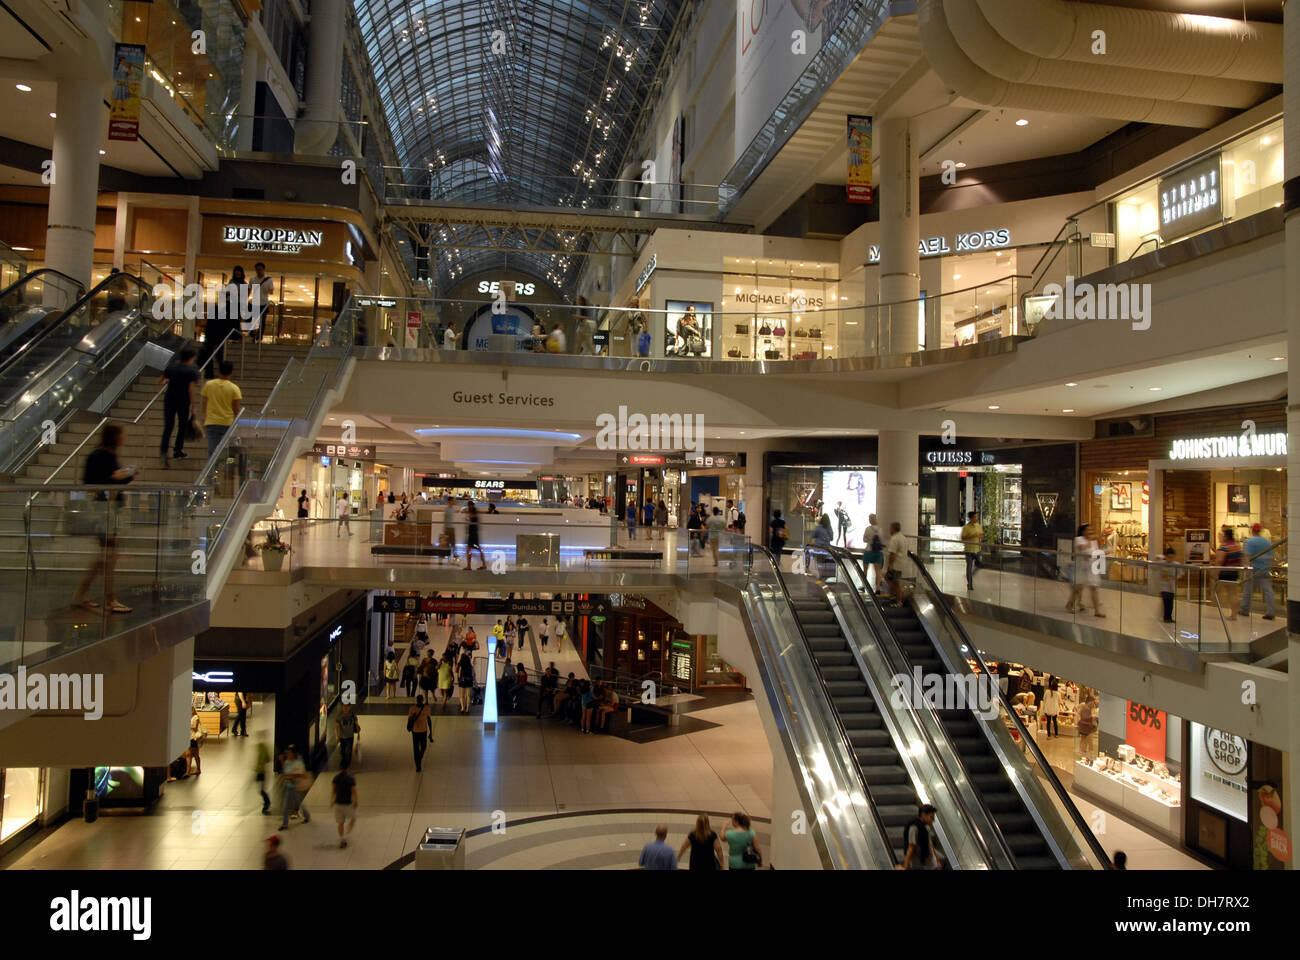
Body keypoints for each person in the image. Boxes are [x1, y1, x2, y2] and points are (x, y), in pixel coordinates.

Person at [73, 423, 136, 614]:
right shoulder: (99, 456)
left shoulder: (108, 455)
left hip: (110, 510)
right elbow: (92, 483)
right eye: (122, 434)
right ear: (115, 436)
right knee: (108, 556)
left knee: (107, 556)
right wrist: (116, 478)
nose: (124, 438)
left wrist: (127, 475)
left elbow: (114, 479)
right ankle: (107, 598)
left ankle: (84, 594)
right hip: (102, 510)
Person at [157, 346, 199, 466]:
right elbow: (191, 389)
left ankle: (163, 451)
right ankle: (177, 450)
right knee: (182, 425)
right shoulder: (192, 371)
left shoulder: (171, 367)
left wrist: (167, 381)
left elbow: (159, 381)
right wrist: (193, 406)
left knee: (168, 427)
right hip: (183, 401)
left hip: (169, 399)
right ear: (191, 357)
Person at [201, 360, 242, 459]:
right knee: (229, 453)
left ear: (218, 371)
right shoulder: (234, 388)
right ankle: (229, 470)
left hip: (212, 423)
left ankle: (212, 473)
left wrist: (203, 419)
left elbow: (204, 404)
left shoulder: (209, 385)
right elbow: (236, 409)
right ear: (232, 372)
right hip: (228, 423)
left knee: (213, 453)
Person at [1067, 523, 1105, 617]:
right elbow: (1082, 549)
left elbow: (1095, 551)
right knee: (1077, 588)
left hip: (1091, 568)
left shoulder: (1093, 541)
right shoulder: (1078, 539)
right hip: (1081, 568)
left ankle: (1097, 611)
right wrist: (1089, 541)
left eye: (1091, 530)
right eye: (1088, 530)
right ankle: (1070, 604)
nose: (1090, 532)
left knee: (1094, 588)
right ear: (1083, 531)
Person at [1241, 523, 1276, 620]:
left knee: (1248, 591)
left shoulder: (1249, 542)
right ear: (1260, 530)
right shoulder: (1267, 542)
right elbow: (1271, 556)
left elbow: (1247, 556)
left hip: (1253, 570)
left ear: (1252, 530)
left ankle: (1244, 610)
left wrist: (1246, 568)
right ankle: (1271, 612)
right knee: (1268, 591)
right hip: (1265, 569)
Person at [1213, 526, 1244, 620]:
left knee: (1229, 593)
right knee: (1233, 593)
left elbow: (1219, 561)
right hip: (1234, 572)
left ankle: (1233, 614)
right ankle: (1234, 613)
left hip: (1225, 572)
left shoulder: (1224, 547)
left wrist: (1216, 573)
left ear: (1226, 536)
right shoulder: (1237, 546)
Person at [278, 745, 311, 829]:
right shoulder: (287, 762)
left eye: (289, 753)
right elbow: (285, 772)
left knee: (299, 803)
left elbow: (301, 774)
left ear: (293, 753)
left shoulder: (298, 762)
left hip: (296, 787)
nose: (287, 755)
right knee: (286, 805)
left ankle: (307, 816)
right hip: (289, 786)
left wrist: (291, 776)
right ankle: (285, 824)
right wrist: (282, 762)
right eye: (287, 753)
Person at [900, 804, 941, 870]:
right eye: (931, 817)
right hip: (921, 865)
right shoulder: (914, 828)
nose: (933, 820)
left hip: (932, 865)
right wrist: (906, 867)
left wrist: (937, 861)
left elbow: (930, 845)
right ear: (923, 814)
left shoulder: (926, 827)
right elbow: (911, 847)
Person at [331, 766, 358, 848]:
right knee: (353, 818)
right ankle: (347, 832)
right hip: (347, 804)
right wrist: (356, 801)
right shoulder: (350, 778)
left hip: (337, 804)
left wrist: (331, 800)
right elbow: (354, 791)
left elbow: (333, 790)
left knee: (340, 823)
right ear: (348, 769)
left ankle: (342, 839)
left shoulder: (336, 778)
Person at [885, 521, 909, 605]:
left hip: (896, 564)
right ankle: (894, 596)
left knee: (895, 582)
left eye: (890, 528)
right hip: (901, 563)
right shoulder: (903, 537)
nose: (889, 530)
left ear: (893, 529)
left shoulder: (894, 538)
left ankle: (898, 600)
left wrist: (890, 565)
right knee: (890, 579)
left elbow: (892, 553)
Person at [407, 695, 433, 770]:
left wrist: (430, 732)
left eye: (420, 700)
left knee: (423, 747)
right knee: (416, 748)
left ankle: (419, 758)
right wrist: (413, 717)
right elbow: (409, 720)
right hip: (415, 731)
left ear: (422, 700)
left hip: (423, 731)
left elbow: (429, 720)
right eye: (418, 700)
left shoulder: (427, 708)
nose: (419, 701)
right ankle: (418, 765)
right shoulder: (412, 709)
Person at [250, 262, 274, 340]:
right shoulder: (253, 279)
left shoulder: (268, 280)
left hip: (264, 303)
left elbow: (271, 291)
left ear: (263, 269)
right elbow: (249, 289)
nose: (258, 271)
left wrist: (265, 289)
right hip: (255, 303)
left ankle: (259, 337)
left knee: (262, 321)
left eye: (260, 270)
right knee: (253, 319)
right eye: (257, 270)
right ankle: (253, 335)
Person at [861, 513, 885, 592]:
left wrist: (870, 541)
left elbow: (864, 539)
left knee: (865, 569)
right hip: (878, 552)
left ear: (870, 520)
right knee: (878, 571)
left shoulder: (868, 529)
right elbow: (882, 541)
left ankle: (864, 586)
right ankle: (878, 588)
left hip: (868, 551)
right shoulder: (881, 529)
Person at [960, 510, 983, 591]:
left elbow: (982, 535)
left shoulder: (978, 526)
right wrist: (972, 536)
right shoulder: (966, 527)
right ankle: (970, 584)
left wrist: (979, 536)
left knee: (979, 564)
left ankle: (970, 575)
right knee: (969, 567)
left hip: (977, 550)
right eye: (975, 517)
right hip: (969, 550)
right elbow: (963, 538)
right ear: (971, 518)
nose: (976, 518)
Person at [1156, 546, 1179, 623]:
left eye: (1172, 557)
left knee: (1170, 602)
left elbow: (1180, 574)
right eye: (1169, 557)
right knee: (1166, 601)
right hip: (1164, 587)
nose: (1170, 559)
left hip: (1171, 587)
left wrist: (1173, 578)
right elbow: (1154, 565)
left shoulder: (1176, 564)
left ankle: (1169, 617)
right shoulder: (1162, 563)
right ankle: (1166, 617)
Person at [335, 703, 360, 769]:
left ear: (349, 707)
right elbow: (337, 726)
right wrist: (337, 736)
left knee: (349, 751)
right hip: (342, 736)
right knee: (343, 751)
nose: (345, 708)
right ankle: (344, 762)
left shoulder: (352, 714)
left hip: (350, 736)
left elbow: (356, 724)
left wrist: (358, 734)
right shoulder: (339, 715)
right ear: (342, 707)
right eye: (344, 706)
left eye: (347, 707)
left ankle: (347, 765)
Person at [463, 501, 486, 570]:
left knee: (470, 549)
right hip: (473, 534)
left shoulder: (473, 513)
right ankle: (482, 564)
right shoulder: (473, 513)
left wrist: (467, 517)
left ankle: (469, 566)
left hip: (473, 535)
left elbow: (471, 518)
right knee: (475, 549)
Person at [254, 739, 272, 814]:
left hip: (260, 771)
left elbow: (267, 759)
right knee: (261, 789)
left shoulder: (260, 748)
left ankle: (267, 804)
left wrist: (261, 763)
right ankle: (266, 803)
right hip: (260, 771)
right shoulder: (262, 748)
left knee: (261, 790)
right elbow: (268, 759)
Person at [187, 708, 205, 775]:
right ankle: (188, 771)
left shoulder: (195, 717)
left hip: (193, 738)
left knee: (195, 754)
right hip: (189, 737)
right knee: (189, 754)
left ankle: (197, 769)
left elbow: (195, 727)